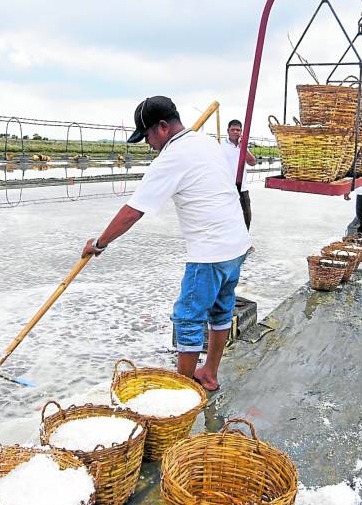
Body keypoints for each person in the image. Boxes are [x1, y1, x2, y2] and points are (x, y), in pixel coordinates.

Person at [82, 96, 250, 392]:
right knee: (222, 310)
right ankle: (208, 373)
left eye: (146, 136)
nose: (147, 144)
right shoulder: (206, 142)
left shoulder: (171, 157)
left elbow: (134, 210)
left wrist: (99, 243)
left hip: (209, 252)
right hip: (236, 244)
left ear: (162, 127)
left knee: (188, 318)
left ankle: (182, 393)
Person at [220, 119, 257, 229]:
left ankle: (244, 242)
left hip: (242, 189)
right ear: (228, 131)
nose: (235, 132)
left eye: (238, 130)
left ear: (241, 132)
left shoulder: (243, 146)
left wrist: (243, 148)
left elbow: (252, 162)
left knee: (246, 218)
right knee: (226, 217)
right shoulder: (220, 145)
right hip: (226, 188)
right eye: (233, 130)